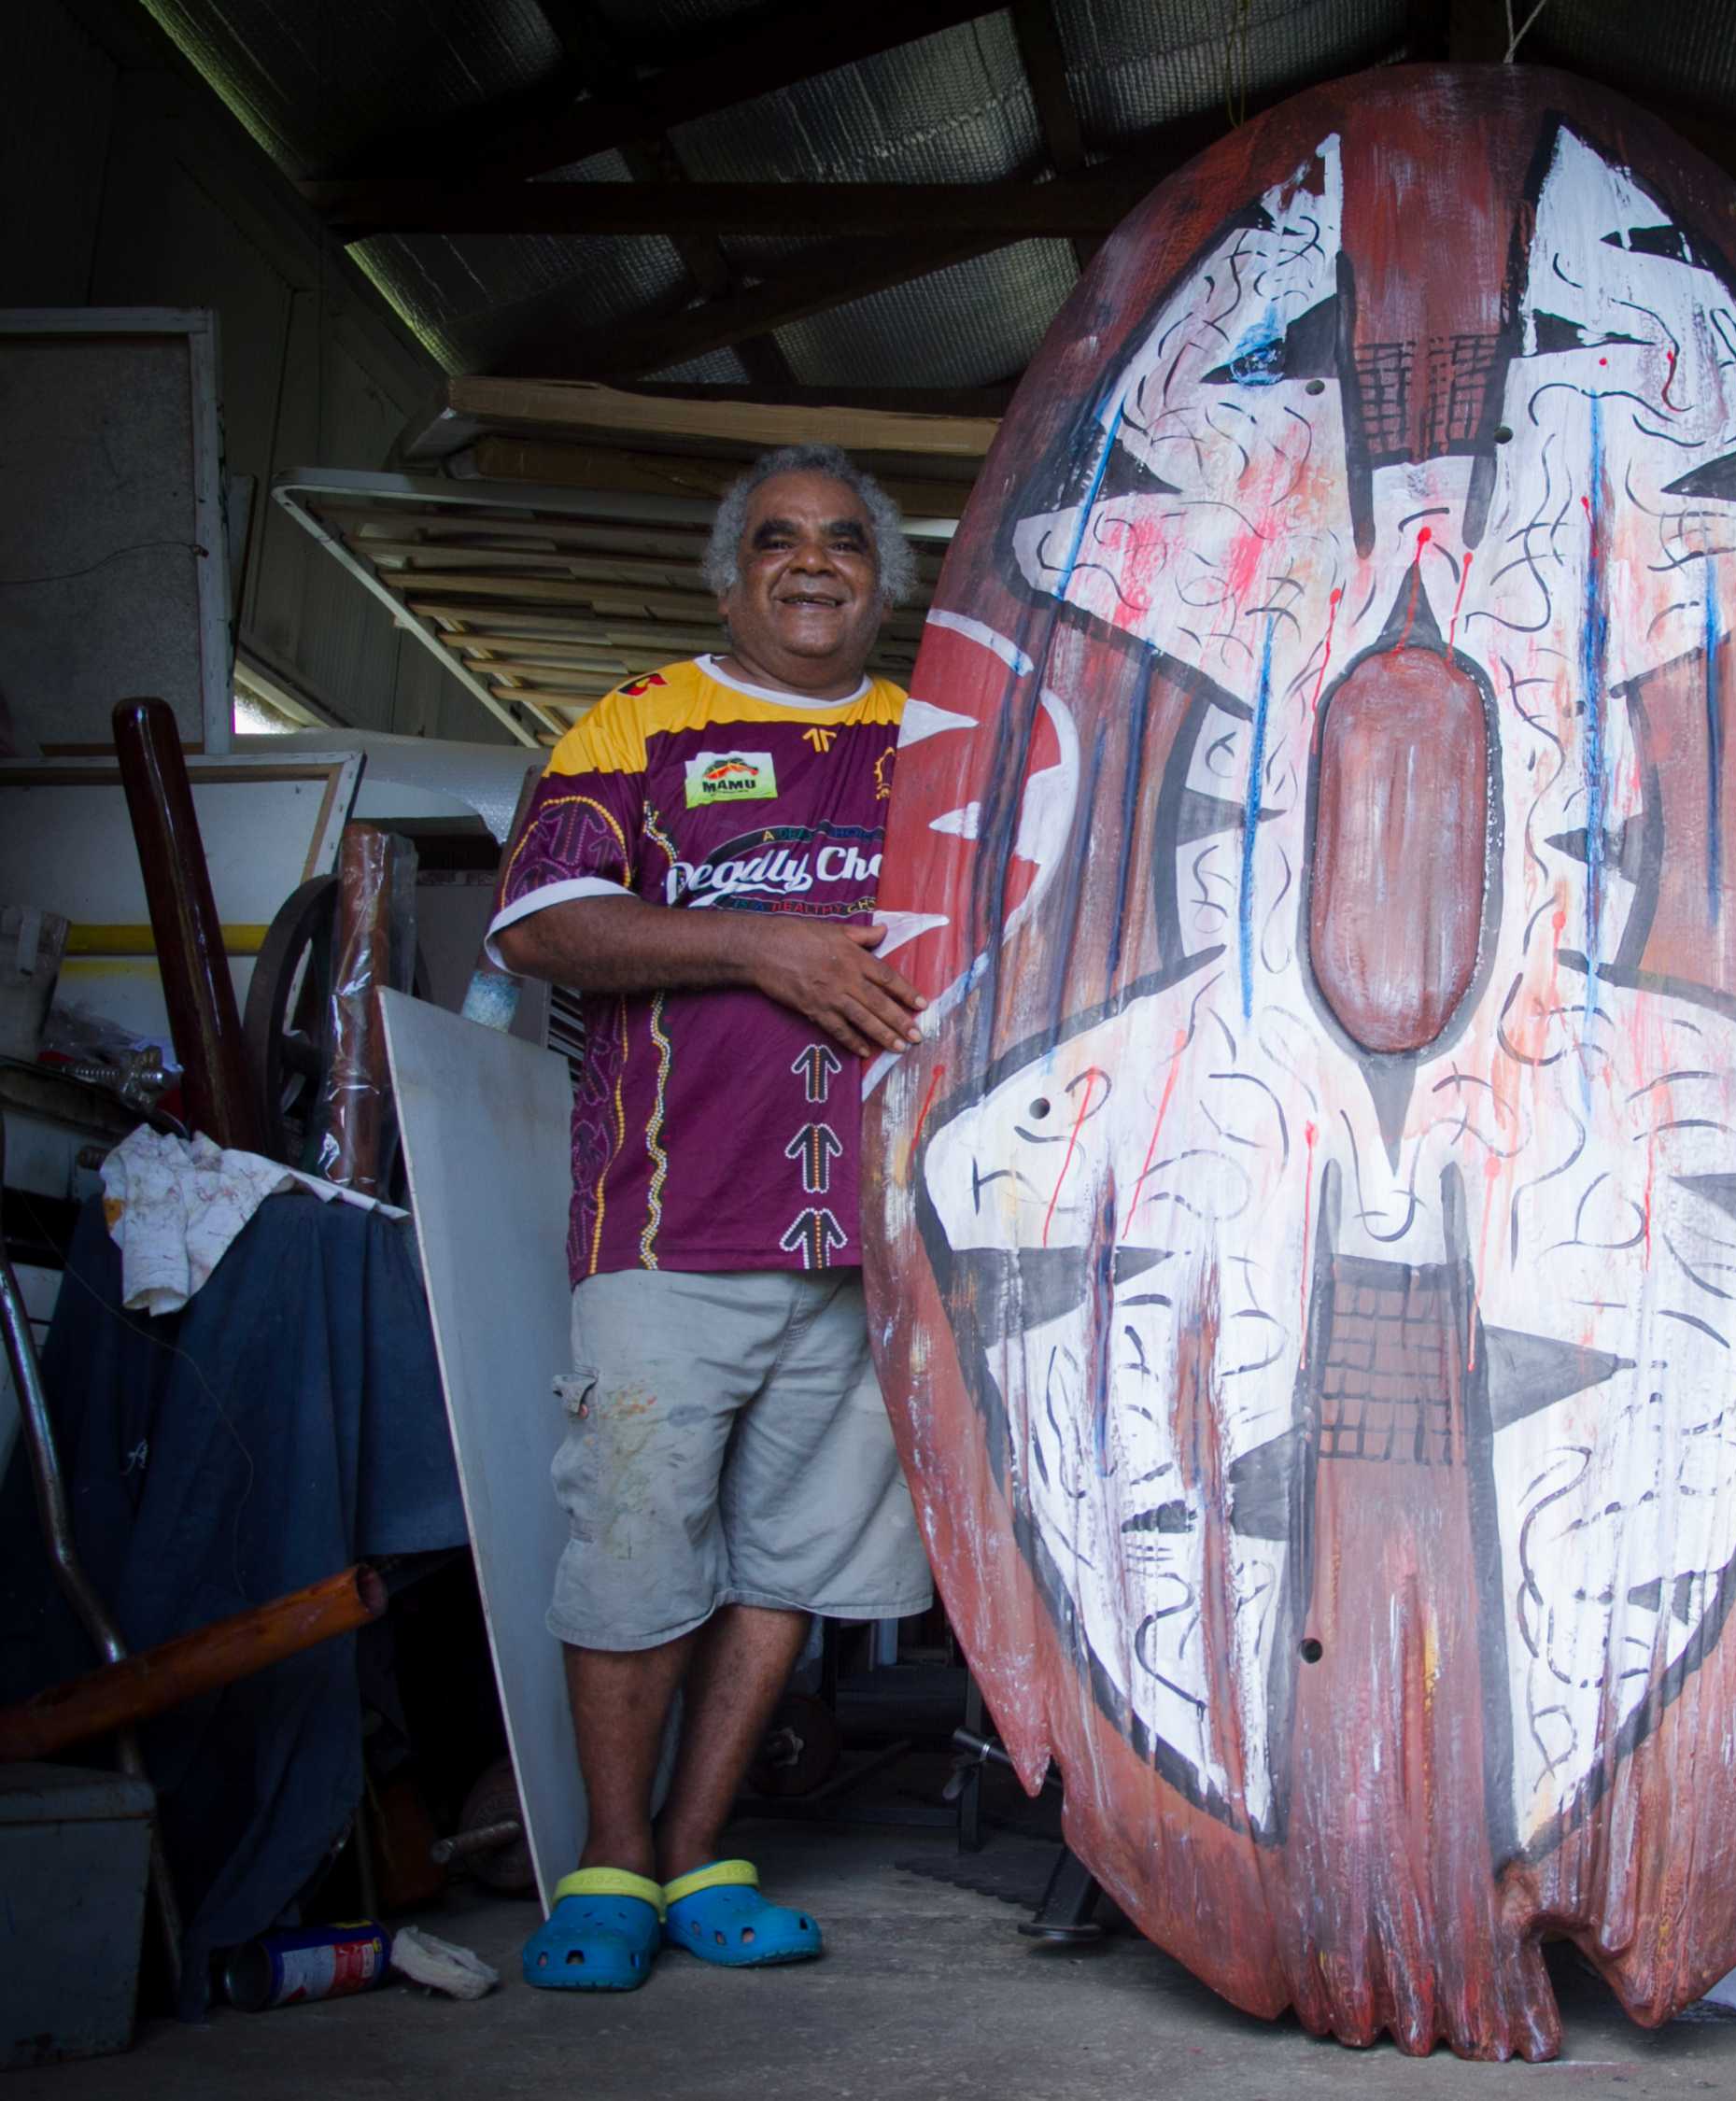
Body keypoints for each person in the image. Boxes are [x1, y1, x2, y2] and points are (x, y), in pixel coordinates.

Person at [484, 443, 935, 1991]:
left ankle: (696, 1853)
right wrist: (761, 947)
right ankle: (609, 1865)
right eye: (777, 540)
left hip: (867, 1236)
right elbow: (541, 922)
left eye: (844, 543)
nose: (812, 564)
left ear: (881, 580)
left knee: (788, 1562)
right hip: (668, 1223)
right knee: (632, 1541)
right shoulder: (640, 722)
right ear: (732, 577)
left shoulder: (935, 739)